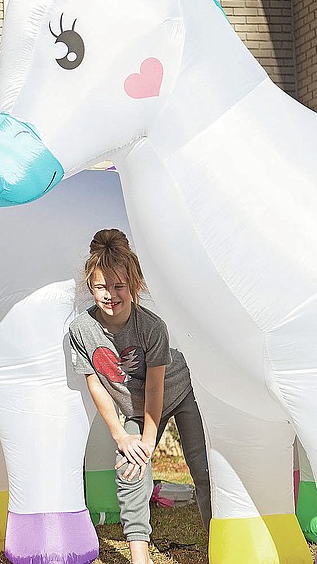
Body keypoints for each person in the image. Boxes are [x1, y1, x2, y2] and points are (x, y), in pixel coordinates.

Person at [69, 229, 211, 564]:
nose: (110, 295)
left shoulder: (151, 326)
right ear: (90, 286)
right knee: (129, 469)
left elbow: (155, 385)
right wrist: (122, 436)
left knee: (204, 470)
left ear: (134, 286)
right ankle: (139, 557)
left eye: (119, 286)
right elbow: (95, 385)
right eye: (102, 286)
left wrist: (147, 441)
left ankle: (218, 541)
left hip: (180, 391)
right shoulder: (81, 330)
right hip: (136, 407)